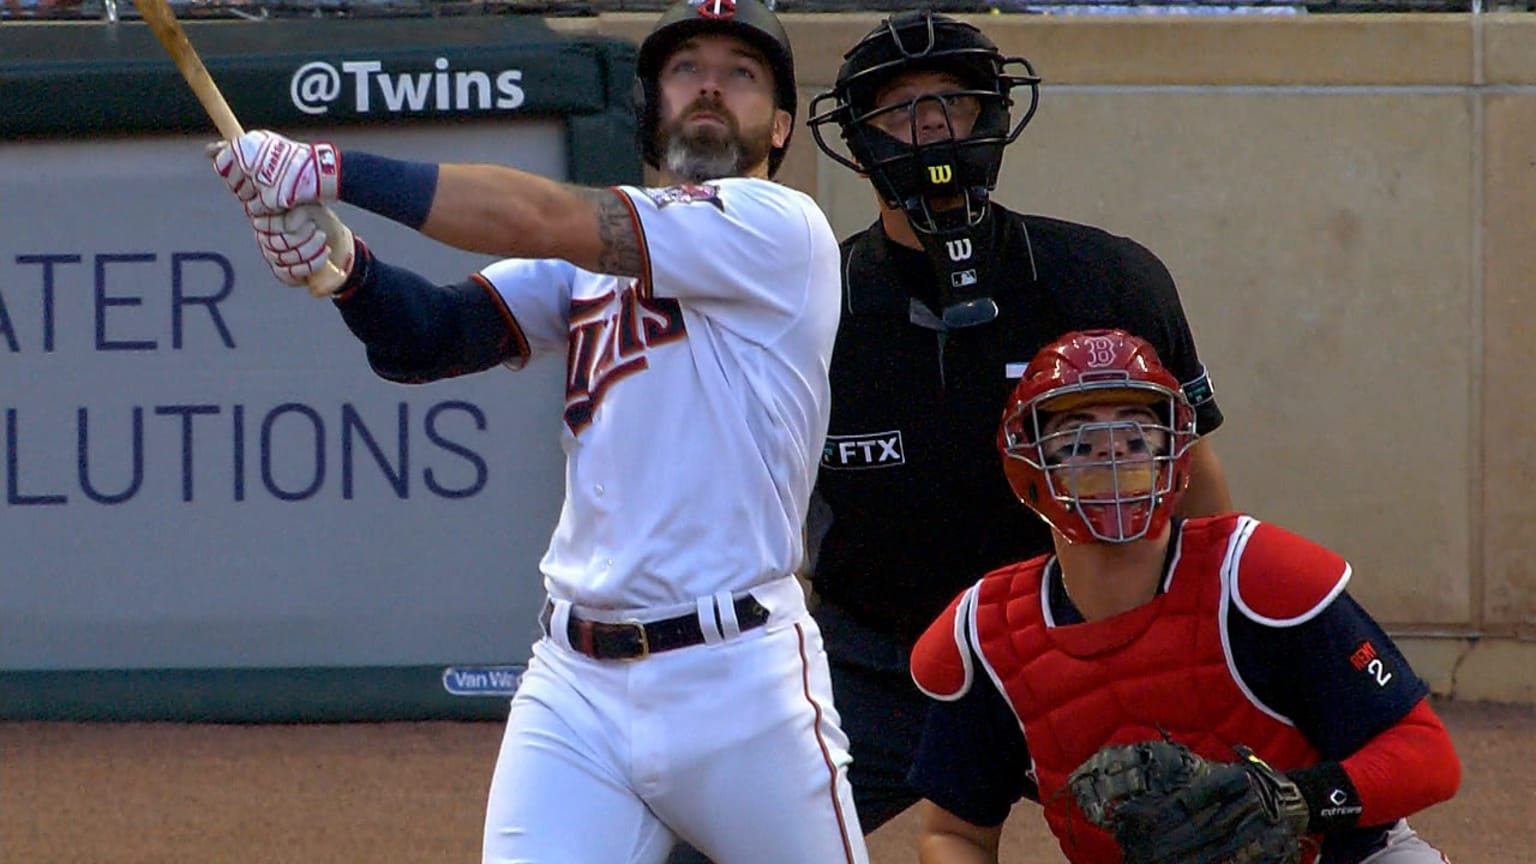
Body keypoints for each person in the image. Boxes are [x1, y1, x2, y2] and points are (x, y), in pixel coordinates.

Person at [205, 1, 869, 862]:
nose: (709, 84)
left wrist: (332, 170)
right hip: (576, 682)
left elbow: (542, 218)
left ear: (781, 126)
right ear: (649, 105)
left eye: (740, 72)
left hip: (737, 676)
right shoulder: (589, 273)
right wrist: (346, 271)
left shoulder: (782, 230)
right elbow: (433, 339)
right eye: (685, 68)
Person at [742, 10, 1236, 847]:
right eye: (900, 105)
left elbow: (1198, 477)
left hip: (1090, 646)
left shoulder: (1104, 276)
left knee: (1229, 830)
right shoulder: (813, 305)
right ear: (858, 139)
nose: (931, 124)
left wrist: (1208, 639)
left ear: (995, 116)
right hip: (879, 663)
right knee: (734, 837)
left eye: (955, 100)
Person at [907, 328, 1461, 864]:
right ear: (1030, 463)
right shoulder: (989, 633)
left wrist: (1290, 800)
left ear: (1174, 454)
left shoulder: (1255, 576)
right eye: (1079, 435)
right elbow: (955, 833)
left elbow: (1428, 757)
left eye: (1134, 433)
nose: (1113, 457)